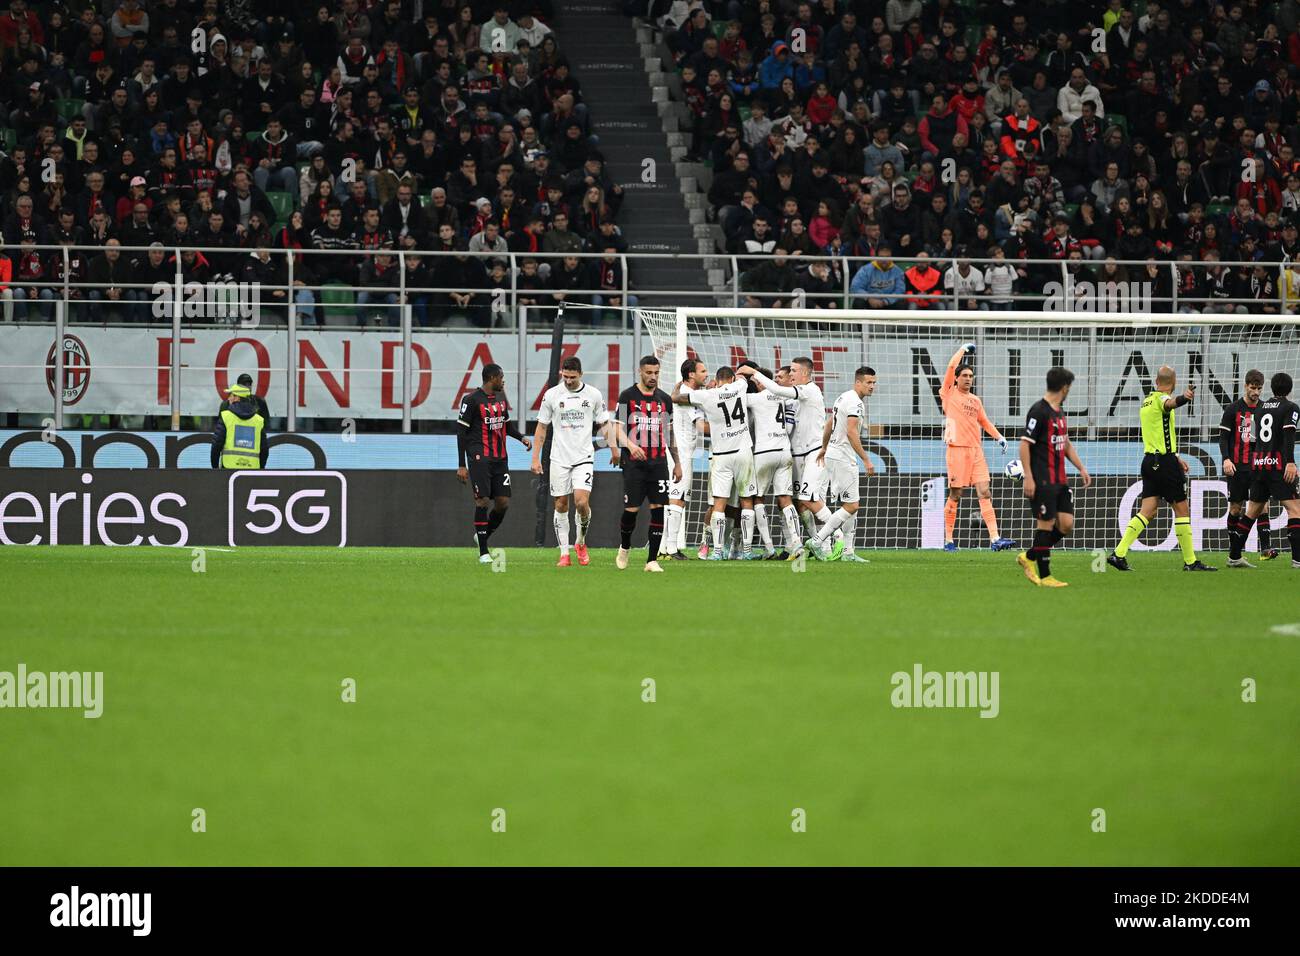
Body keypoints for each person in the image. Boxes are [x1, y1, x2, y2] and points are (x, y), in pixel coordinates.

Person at [1107, 365, 1217, 572]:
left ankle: (1118, 554)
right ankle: (1191, 561)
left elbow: (1160, 433)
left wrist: (1176, 457)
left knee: (1147, 511)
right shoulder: (1160, 399)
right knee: (1182, 510)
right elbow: (1170, 404)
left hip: (1150, 461)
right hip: (1163, 464)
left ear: (1156, 382)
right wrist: (1184, 398)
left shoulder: (1146, 401)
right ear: (1173, 384)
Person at [531, 356, 615, 567]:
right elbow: (542, 426)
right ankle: (564, 554)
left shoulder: (593, 395)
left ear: (581, 375)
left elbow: (604, 423)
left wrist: (614, 448)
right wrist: (535, 457)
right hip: (558, 458)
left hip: (583, 456)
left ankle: (581, 541)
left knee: (581, 502)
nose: (568, 381)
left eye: (572, 377)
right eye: (565, 377)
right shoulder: (552, 395)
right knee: (560, 504)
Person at [671, 366, 758, 561]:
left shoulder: (707, 395)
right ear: (732, 378)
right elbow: (744, 378)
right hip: (744, 452)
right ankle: (746, 550)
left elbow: (676, 398)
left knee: (718, 504)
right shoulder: (740, 387)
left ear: (717, 380)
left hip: (721, 455)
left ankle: (717, 551)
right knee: (746, 501)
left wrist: (676, 389)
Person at [1017, 367, 1092, 587]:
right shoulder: (1038, 411)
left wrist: (1081, 468)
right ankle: (1046, 576)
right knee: (1046, 525)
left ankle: (1028, 556)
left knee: (1066, 524)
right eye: (1070, 387)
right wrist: (1029, 477)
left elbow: (1065, 443)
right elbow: (1024, 445)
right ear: (1064, 387)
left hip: (1060, 480)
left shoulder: (1059, 411)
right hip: (1042, 479)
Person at [940, 344, 1016, 552]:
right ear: (956, 378)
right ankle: (948, 540)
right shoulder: (948, 394)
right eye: (964, 375)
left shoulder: (975, 400)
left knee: (985, 492)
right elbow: (949, 367)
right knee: (956, 495)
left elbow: (984, 421)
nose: (968, 378)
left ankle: (995, 539)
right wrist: (962, 350)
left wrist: (999, 437)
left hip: (976, 452)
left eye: (971, 376)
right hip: (957, 450)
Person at [610, 355, 682, 573]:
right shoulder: (627, 396)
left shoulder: (664, 400)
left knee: (659, 509)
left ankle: (651, 560)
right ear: (640, 372)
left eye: (656, 373)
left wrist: (677, 463)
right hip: (633, 463)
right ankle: (624, 546)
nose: (653, 377)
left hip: (658, 462)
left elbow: (669, 433)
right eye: (649, 373)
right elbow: (617, 430)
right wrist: (631, 447)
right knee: (631, 510)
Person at [456, 363, 532, 564]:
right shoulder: (471, 400)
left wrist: (521, 438)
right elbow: (461, 433)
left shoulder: (500, 400)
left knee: (503, 503)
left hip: (500, 459)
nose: (503, 380)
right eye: (501, 377)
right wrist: (461, 464)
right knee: (482, 501)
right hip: (480, 459)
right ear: (492, 379)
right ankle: (483, 552)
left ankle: (482, 534)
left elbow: (507, 427)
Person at [803, 366, 878, 563]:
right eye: (868, 382)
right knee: (852, 505)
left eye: (874, 382)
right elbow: (852, 432)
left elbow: (830, 423)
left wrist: (824, 447)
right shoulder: (856, 403)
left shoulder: (843, 398)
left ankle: (848, 552)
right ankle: (818, 540)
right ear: (858, 382)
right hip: (843, 457)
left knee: (849, 503)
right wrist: (866, 459)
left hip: (834, 454)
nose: (872, 386)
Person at [1225, 372, 1300, 568]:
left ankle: (1234, 556)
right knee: (1295, 510)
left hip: (1257, 466)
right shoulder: (1291, 407)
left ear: (1271, 388)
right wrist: (1290, 462)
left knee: (1251, 512)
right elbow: (1289, 434)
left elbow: (1252, 440)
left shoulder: (1259, 410)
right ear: (1290, 389)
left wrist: (1258, 459)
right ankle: (1298, 560)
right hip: (1278, 466)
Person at [735, 364, 803, 559]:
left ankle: (769, 548)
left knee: (756, 499)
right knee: (785, 499)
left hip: (765, 452)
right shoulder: (783, 397)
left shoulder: (756, 398)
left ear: (759, 382)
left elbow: (734, 399)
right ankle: (797, 543)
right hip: (784, 452)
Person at [1218, 369, 1279, 562]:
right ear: (1245, 386)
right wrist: (1226, 459)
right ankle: (1234, 549)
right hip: (1237, 466)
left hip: (1257, 466)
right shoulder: (1233, 409)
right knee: (1236, 508)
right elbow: (1223, 438)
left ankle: (1266, 549)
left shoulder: (1264, 409)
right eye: (1253, 388)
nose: (1256, 392)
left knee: (1262, 506)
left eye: (1259, 388)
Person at [660, 357, 709, 560]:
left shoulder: (686, 393)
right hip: (680, 453)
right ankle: (671, 549)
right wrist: (727, 429)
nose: (706, 374)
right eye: (703, 371)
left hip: (679, 450)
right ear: (691, 374)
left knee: (675, 500)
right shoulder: (689, 396)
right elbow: (700, 427)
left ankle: (664, 547)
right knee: (677, 499)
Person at [211, 384, 268, 469]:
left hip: (228, 469)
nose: (228, 398)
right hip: (252, 470)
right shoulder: (258, 420)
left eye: (231, 395)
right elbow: (264, 449)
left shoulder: (226, 417)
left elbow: (217, 445)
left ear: (237, 398)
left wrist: (215, 467)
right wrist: (260, 468)